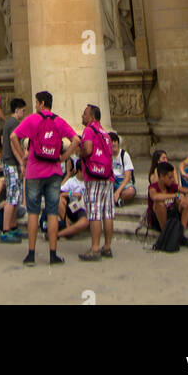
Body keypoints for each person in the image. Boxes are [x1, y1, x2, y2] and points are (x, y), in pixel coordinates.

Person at [11, 90, 78, 266]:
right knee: (53, 212)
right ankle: (53, 255)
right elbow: (76, 140)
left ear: (41, 104)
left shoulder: (33, 119)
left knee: (33, 212)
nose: (35, 106)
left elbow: (13, 137)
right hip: (54, 172)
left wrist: (23, 158)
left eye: (36, 103)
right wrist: (63, 158)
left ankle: (31, 254)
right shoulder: (59, 121)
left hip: (34, 172)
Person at [78, 104, 116, 261]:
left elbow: (87, 149)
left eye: (85, 113)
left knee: (94, 213)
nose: (82, 116)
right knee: (107, 213)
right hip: (107, 176)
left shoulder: (89, 130)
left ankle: (94, 248)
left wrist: (80, 154)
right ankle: (107, 246)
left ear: (92, 117)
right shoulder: (105, 133)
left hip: (94, 176)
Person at [0, 97, 27, 243]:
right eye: (23, 110)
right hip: (11, 163)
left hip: (9, 162)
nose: (24, 113)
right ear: (17, 110)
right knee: (11, 197)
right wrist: (22, 161)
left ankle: (13, 226)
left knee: (15, 196)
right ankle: (6, 230)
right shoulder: (14, 123)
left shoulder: (8, 123)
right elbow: (14, 143)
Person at [148, 160, 188, 242]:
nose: (173, 180)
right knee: (159, 203)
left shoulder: (172, 186)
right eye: (170, 177)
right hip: (158, 219)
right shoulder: (153, 187)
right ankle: (165, 233)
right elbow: (155, 196)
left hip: (172, 215)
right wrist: (175, 195)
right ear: (162, 177)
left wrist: (187, 197)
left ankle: (181, 231)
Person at [109, 131, 136, 207]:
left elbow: (127, 177)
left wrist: (118, 191)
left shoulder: (124, 155)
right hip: (111, 181)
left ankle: (115, 199)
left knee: (131, 191)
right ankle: (114, 200)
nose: (113, 144)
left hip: (123, 182)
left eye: (115, 141)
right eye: (111, 142)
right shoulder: (107, 155)